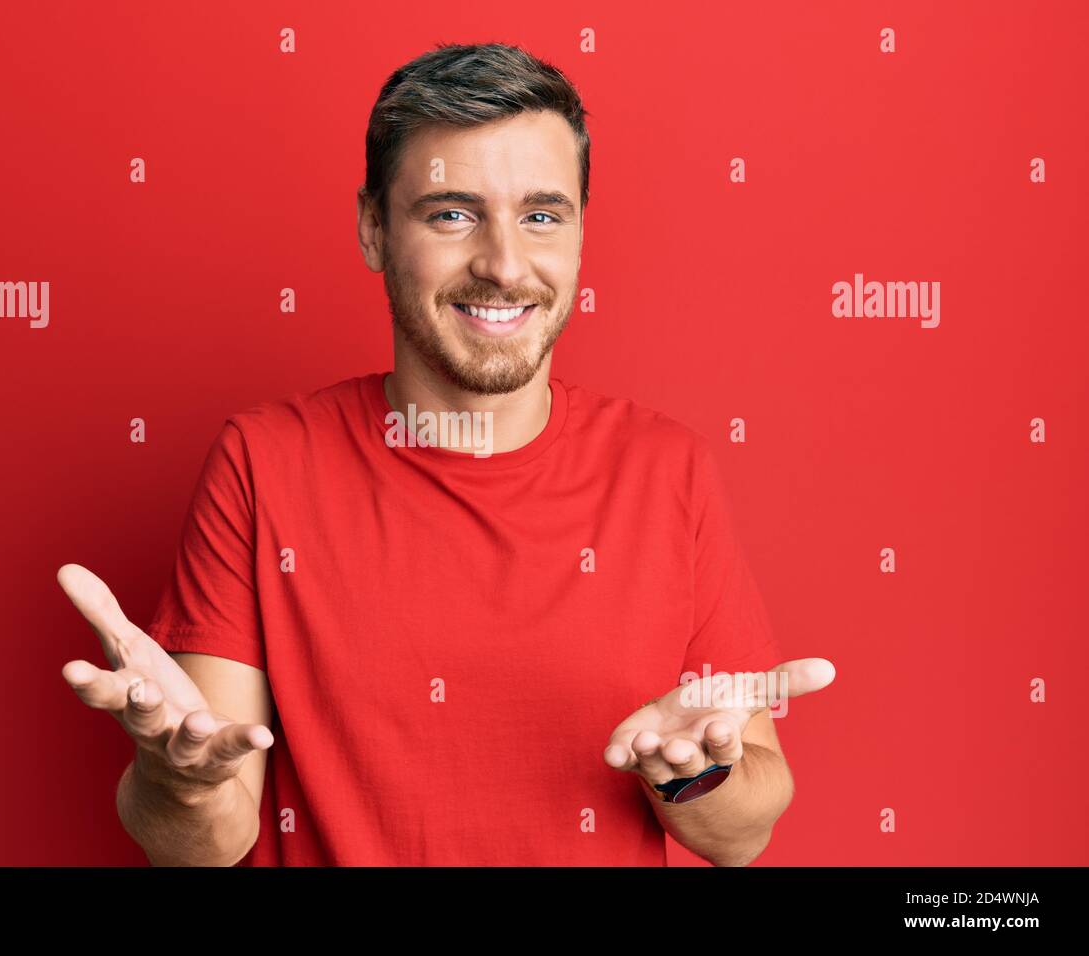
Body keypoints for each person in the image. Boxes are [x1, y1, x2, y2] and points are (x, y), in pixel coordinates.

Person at [58, 42, 835, 866]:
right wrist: (180, 778)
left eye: (541, 215)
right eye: (452, 213)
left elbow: (742, 837)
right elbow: (203, 844)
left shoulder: (666, 469)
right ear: (372, 229)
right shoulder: (265, 461)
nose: (504, 265)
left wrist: (690, 777)